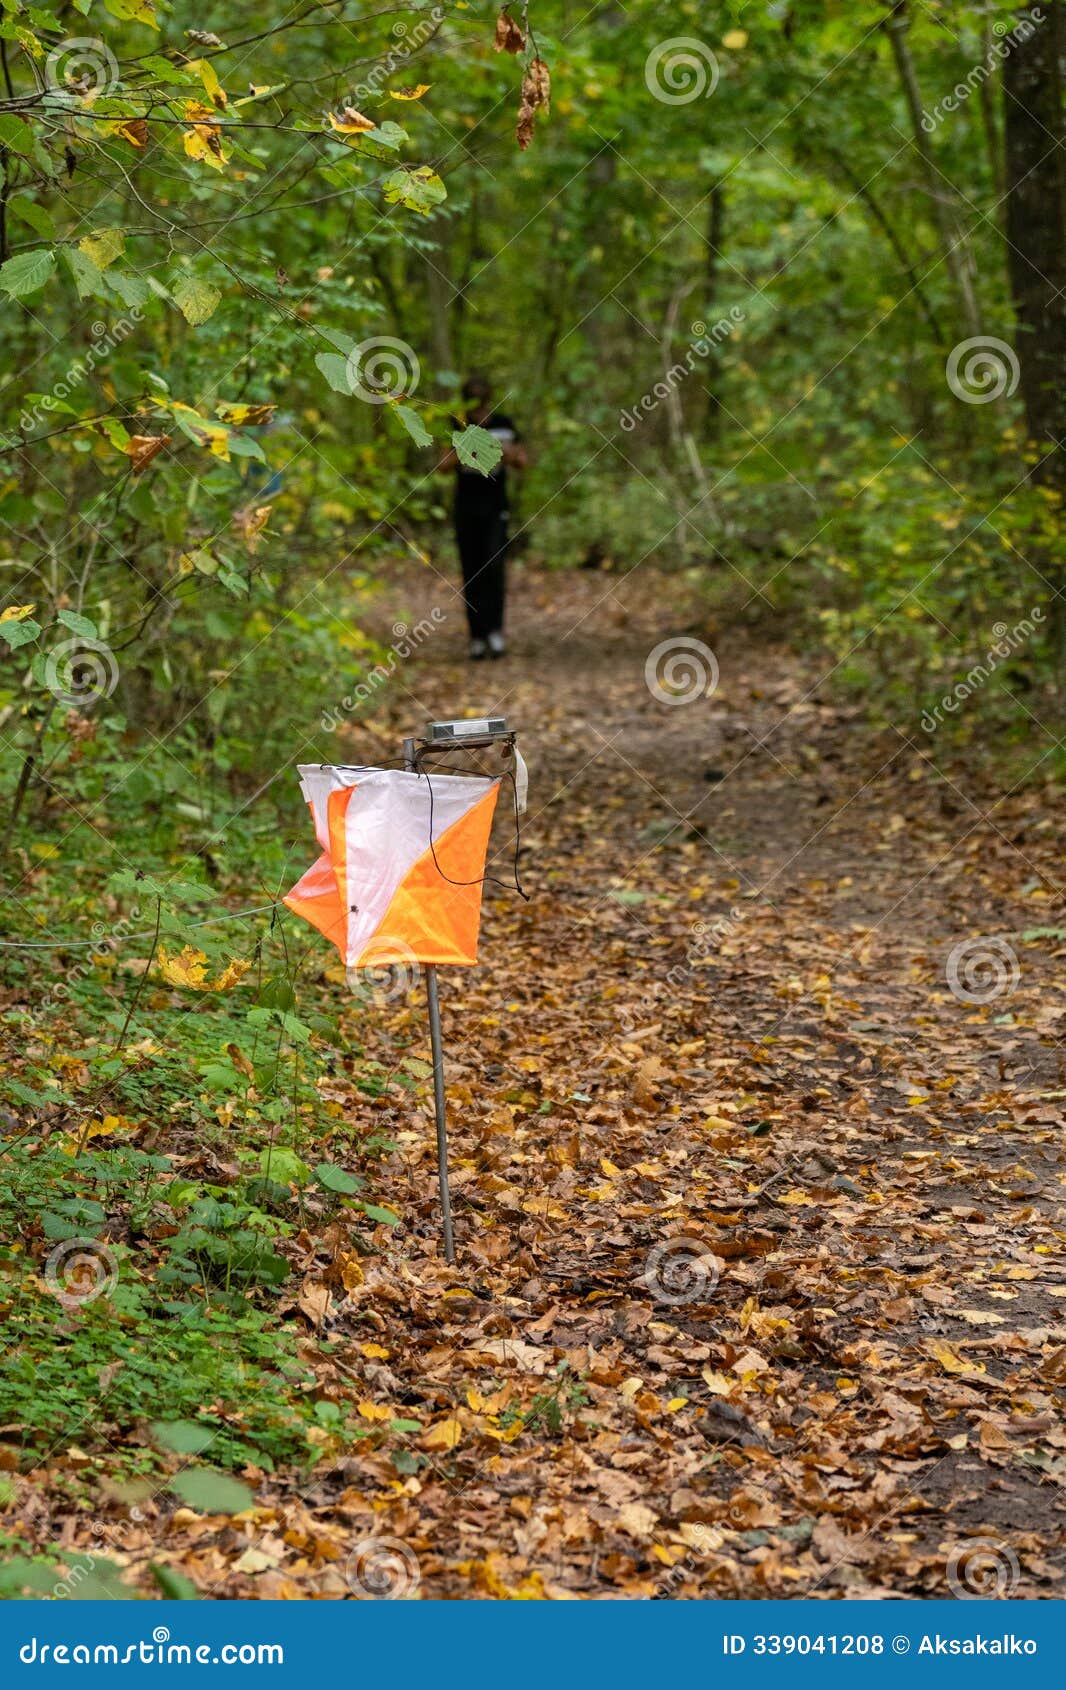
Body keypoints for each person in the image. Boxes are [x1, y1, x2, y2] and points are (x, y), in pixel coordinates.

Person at [440, 375, 527, 661]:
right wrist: (466, 451)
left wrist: (503, 452)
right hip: (466, 507)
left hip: (496, 507)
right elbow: (441, 464)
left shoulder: (504, 423)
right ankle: (476, 636)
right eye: (472, 397)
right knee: (472, 569)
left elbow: (523, 461)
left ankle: (495, 631)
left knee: (495, 565)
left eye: (482, 396)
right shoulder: (457, 424)